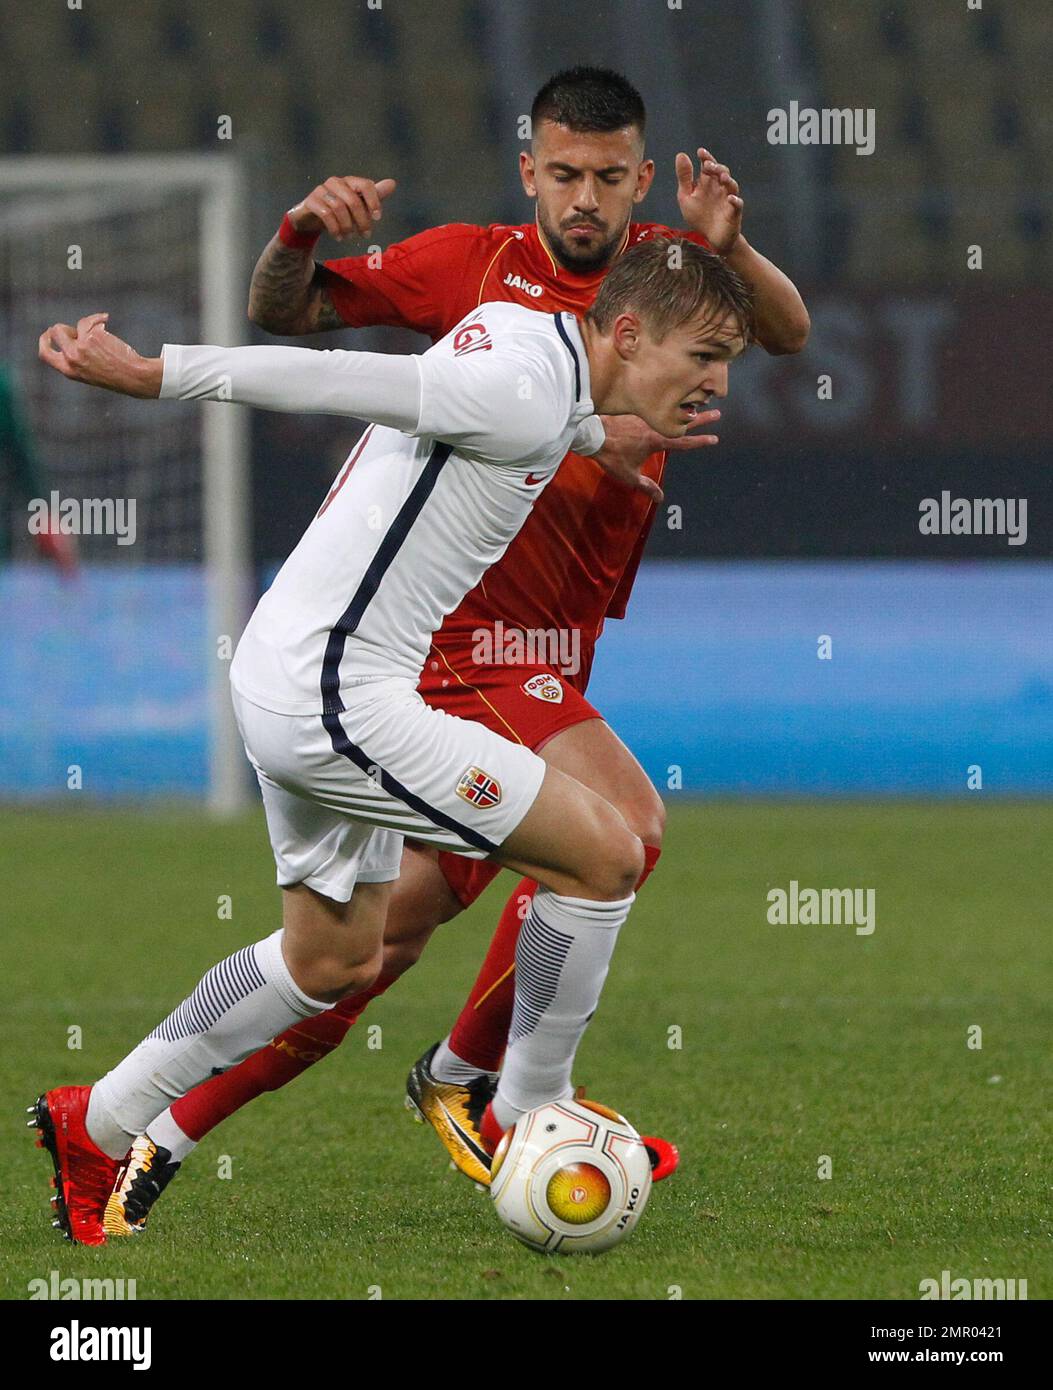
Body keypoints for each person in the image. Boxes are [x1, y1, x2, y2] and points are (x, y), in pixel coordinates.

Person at [92, 67, 810, 1232]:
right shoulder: (467, 264)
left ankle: (148, 1126)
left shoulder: (663, 277)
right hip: (451, 652)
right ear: (529, 169)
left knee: (369, 943)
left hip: (544, 651)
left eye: (610, 177)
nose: (585, 198)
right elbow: (297, 323)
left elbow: (786, 332)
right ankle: (498, 1096)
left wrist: (735, 248)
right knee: (619, 838)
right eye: (563, 174)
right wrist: (289, 244)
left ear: (640, 176)